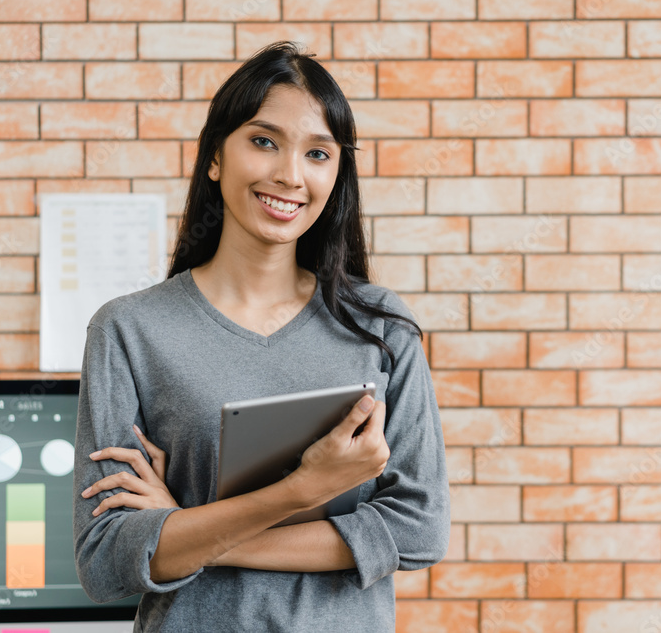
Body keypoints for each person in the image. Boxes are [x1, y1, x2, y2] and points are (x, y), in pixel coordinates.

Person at [71, 41, 451, 632]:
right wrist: (302, 490)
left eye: (318, 153)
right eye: (264, 141)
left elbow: (418, 531)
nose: (289, 175)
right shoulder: (129, 330)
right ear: (216, 156)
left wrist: (189, 529)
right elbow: (105, 561)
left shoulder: (379, 328)